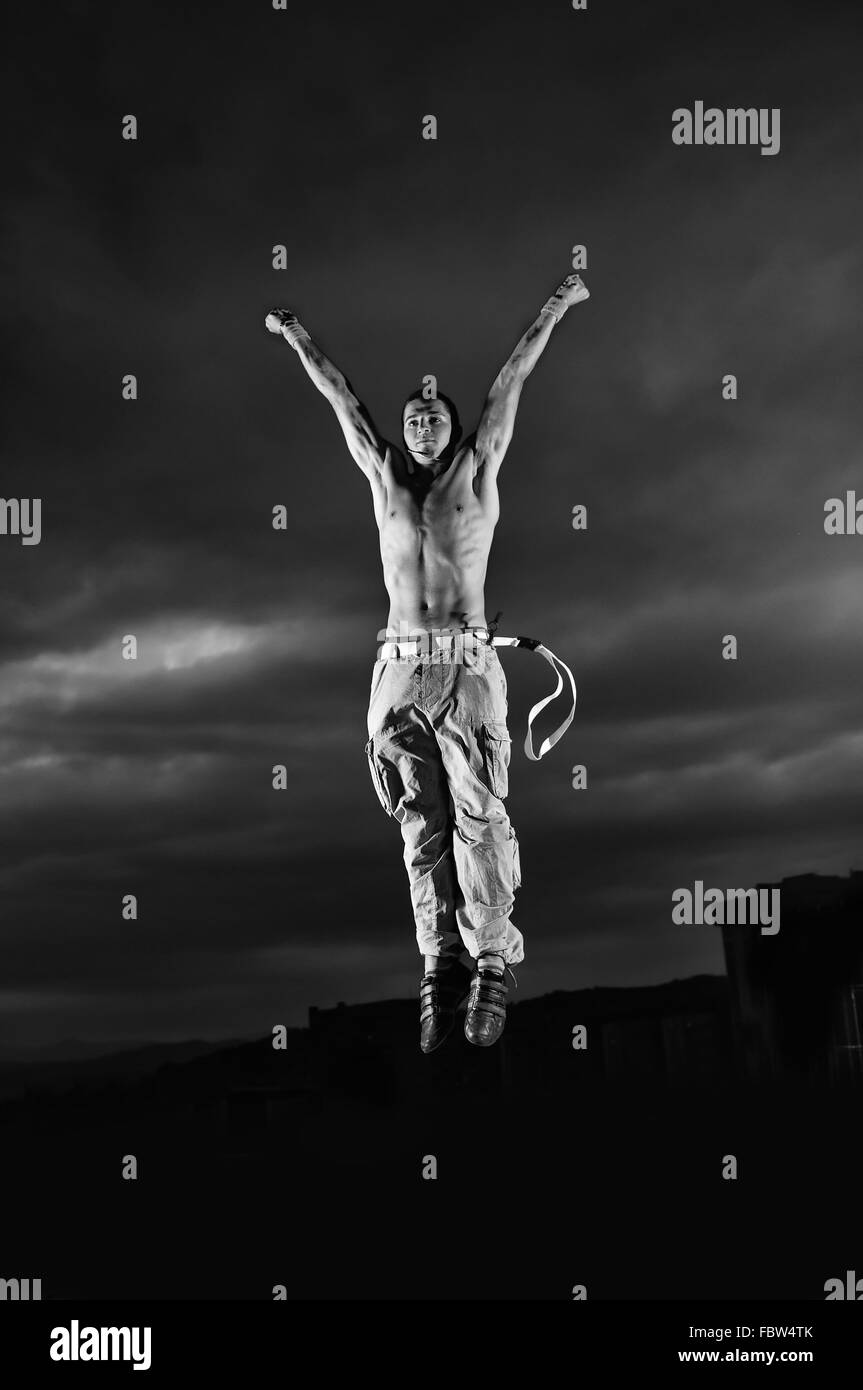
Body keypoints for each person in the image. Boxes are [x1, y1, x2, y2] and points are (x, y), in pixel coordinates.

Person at [265, 272, 589, 1051]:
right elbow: (342, 399)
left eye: (431, 415)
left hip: (466, 664)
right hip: (399, 667)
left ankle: (489, 959)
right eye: (410, 416)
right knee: (420, 823)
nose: (418, 424)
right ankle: (438, 962)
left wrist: (556, 303)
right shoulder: (382, 478)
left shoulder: (477, 468)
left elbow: (511, 381)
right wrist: (296, 335)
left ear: (451, 426)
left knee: (478, 814)